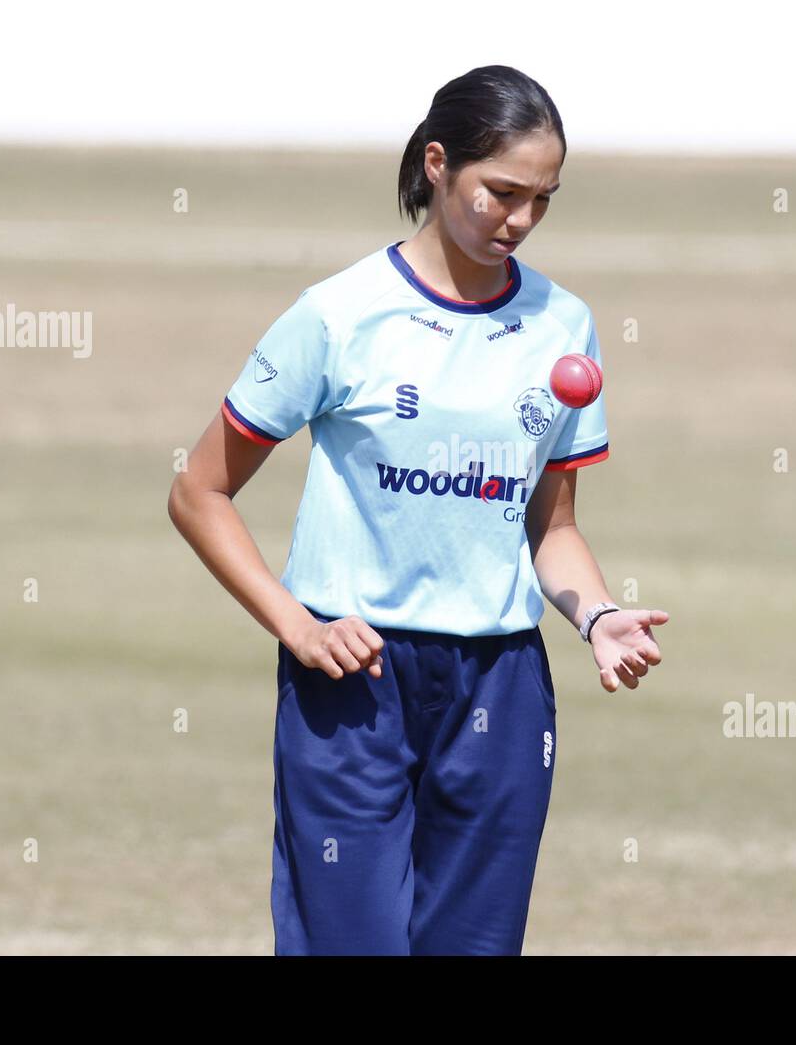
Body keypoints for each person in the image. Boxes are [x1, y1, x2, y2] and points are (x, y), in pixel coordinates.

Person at [168, 64, 669, 955]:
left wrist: (597, 616)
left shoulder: (564, 327)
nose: (519, 221)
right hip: (353, 682)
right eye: (500, 192)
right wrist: (299, 627)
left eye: (543, 200)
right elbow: (198, 492)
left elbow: (551, 528)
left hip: (502, 689)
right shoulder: (338, 316)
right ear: (438, 165)